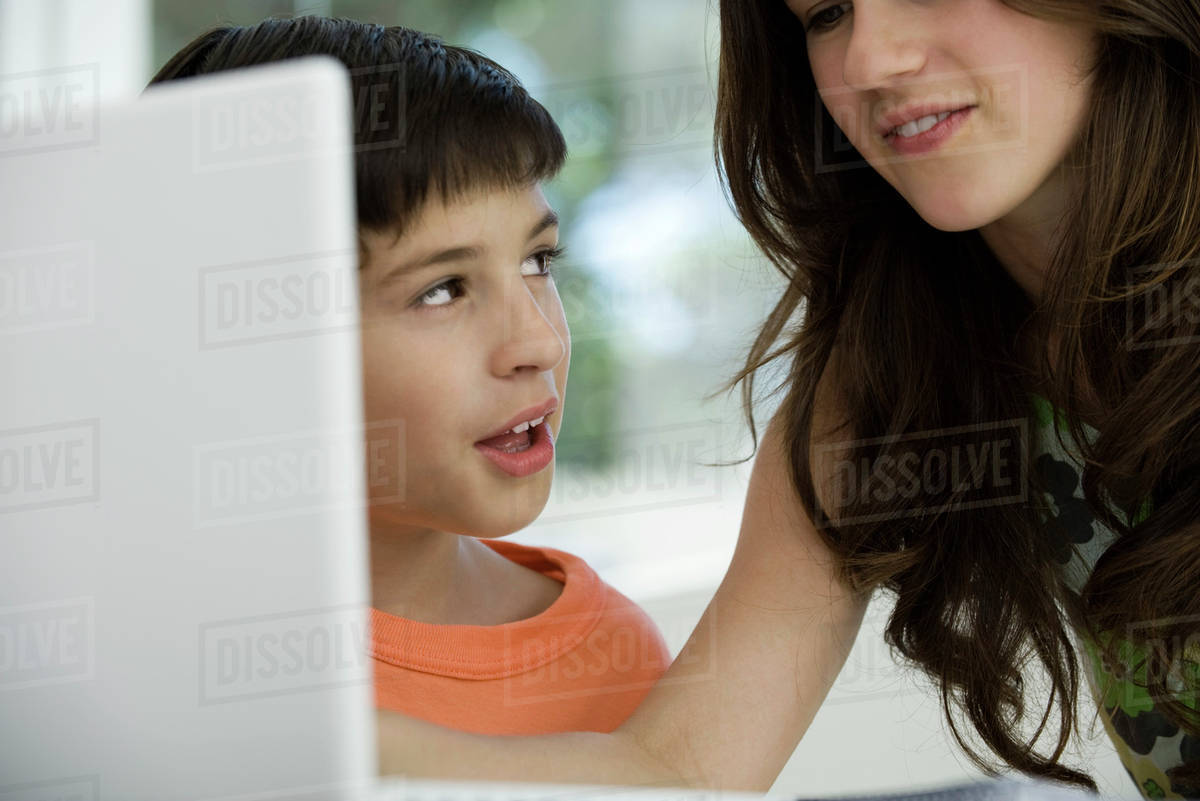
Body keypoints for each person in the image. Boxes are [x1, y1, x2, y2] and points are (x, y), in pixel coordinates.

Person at [378, 0, 1200, 796]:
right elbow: (685, 774)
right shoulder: (887, 368)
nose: (872, 62)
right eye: (826, 15)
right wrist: (301, 730)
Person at [148, 17, 671, 737]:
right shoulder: (155, 666)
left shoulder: (614, 658)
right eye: (443, 289)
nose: (539, 343)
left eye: (538, 262)